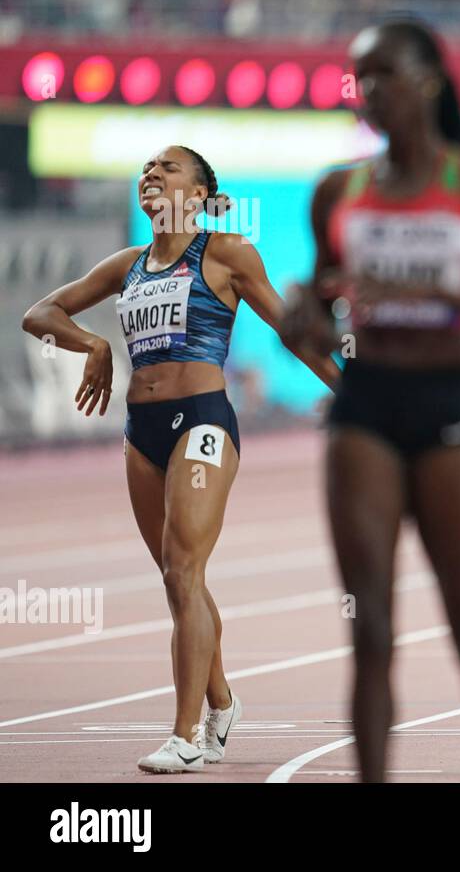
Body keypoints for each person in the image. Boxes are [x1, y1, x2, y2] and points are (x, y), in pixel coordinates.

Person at [280, 19, 460, 782]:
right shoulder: (338, 189)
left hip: (444, 409)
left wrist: (450, 294)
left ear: (429, 79)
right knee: (371, 632)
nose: (368, 91)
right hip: (363, 411)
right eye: (358, 77)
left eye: (383, 74)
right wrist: (305, 315)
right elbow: (311, 311)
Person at [22, 145, 339, 772]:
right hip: (142, 433)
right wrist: (92, 345)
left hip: (203, 424)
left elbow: (289, 332)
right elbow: (41, 314)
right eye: (145, 169)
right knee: (179, 580)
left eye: (167, 168)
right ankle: (222, 701)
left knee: (183, 569)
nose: (151, 175)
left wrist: (354, 399)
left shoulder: (226, 254)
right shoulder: (127, 265)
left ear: (197, 194)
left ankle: (186, 735)